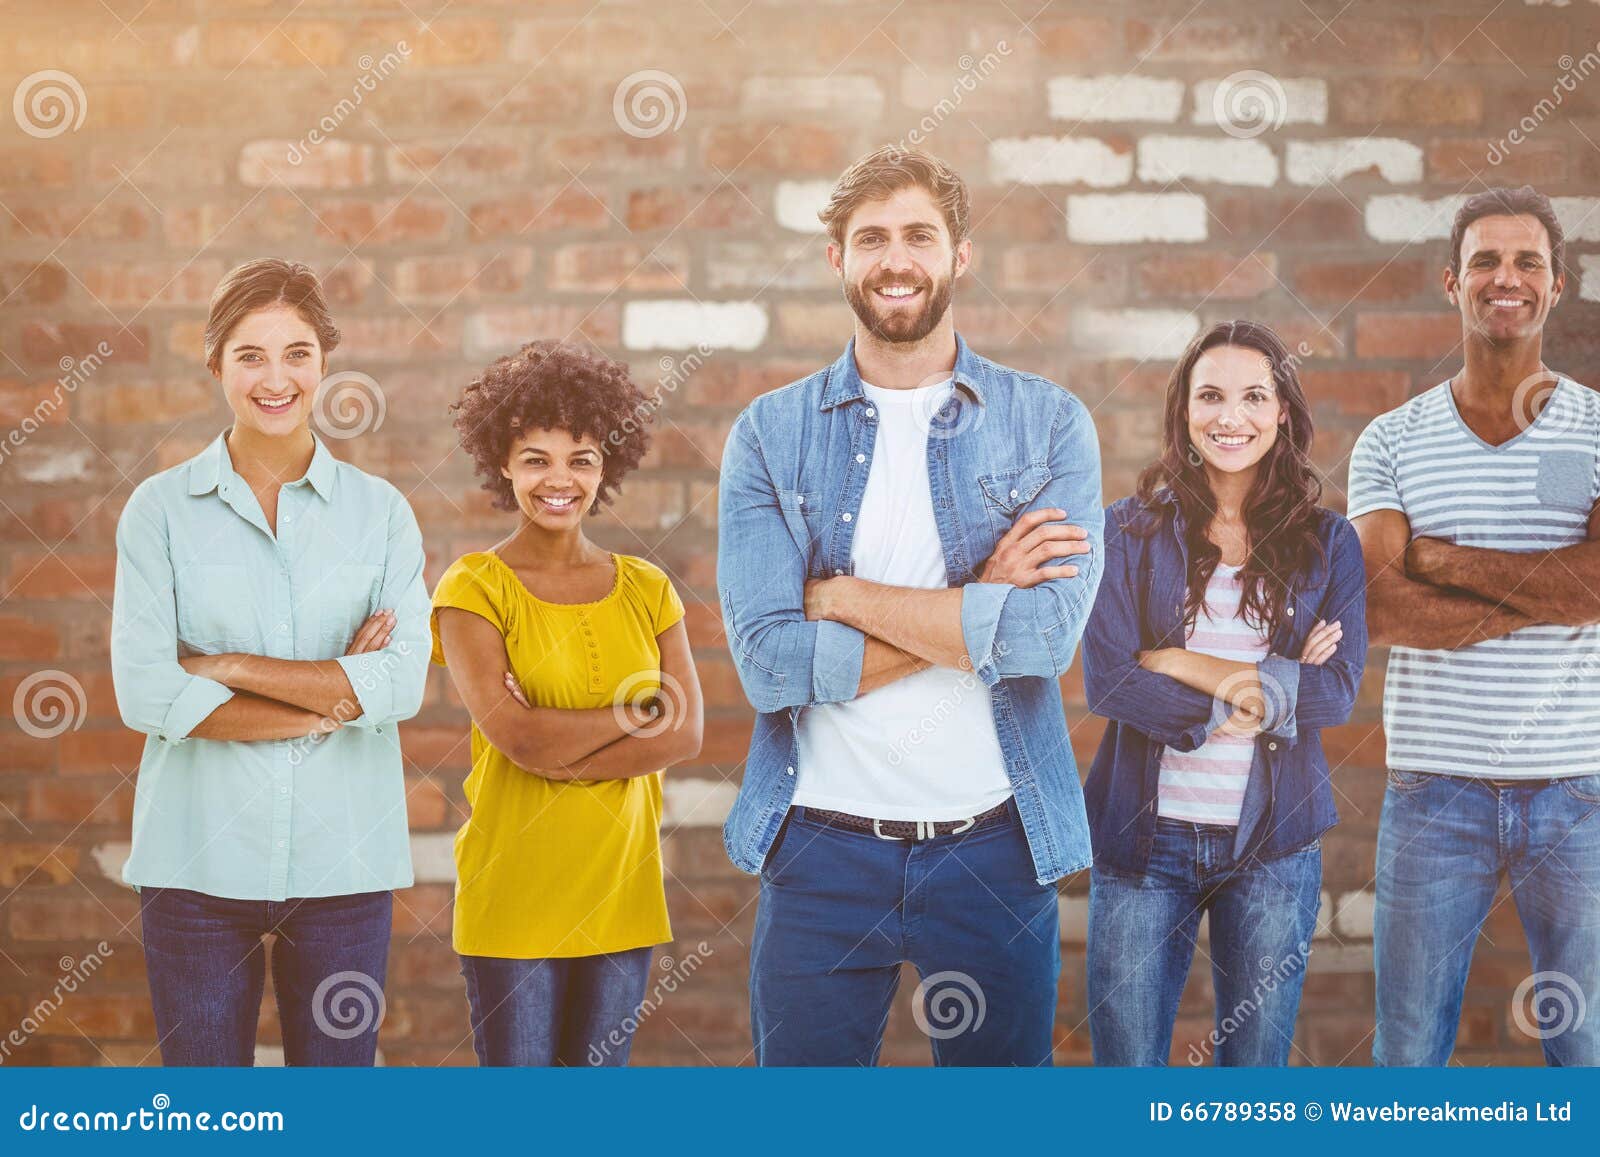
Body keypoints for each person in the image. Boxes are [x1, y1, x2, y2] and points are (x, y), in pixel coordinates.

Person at [717, 145, 1103, 1066]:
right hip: (818, 850)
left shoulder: (1048, 422)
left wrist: (844, 599)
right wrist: (979, 608)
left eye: (919, 236)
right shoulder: (770, 434)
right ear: (837, 260)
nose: (897, 259)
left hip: (994, 848)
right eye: (872, 238)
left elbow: (1044, 641)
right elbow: (770, 665)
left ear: (960, 254)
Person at [111, 258, 430, 1065]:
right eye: (250, 354)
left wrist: (224, 665)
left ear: (325, 361)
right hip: (195, 866)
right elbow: (147, 693)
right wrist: (334, 698)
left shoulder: (381, 514)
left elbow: (400, 682)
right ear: (215, 363)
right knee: (205, 1115)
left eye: (296, 352)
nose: (275, 377)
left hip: (343, 870)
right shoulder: (159, 511)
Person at [1349, 186, 1600, 1066]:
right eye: (1486, 261)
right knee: (1409, 1052)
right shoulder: (1391, 439)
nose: (1507, 277)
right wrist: (1552, 586)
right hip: (1433, 791)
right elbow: (1378, 606)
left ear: (1557, 286)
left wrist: (1445, 560)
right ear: (1451, 281)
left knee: (1586, 1048)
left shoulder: (1597, 427)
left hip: (1578, 789)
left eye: (1528, 261)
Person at [1081, 319, 1365, 1066]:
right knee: (1126, 1079)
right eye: (1209, 396)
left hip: (1273, 845)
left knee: (1254, 1084)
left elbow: (1335, 693)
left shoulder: (1330, 542)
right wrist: (1269, 687)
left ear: (1281, 412)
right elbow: (1110, 677)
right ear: (1184, 411)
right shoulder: (1128, 531)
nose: (1229, 416)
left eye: (1252, 397)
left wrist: (1176, 659)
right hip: (1144, 842)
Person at [431, 338, 703, 1066]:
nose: (560, 479)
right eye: (536, 459)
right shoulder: (474, 586)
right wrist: (633, 713)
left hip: (622, 893)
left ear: (606, 466)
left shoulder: (647, 586)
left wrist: (563, 743)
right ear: (502, 465)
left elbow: (687, 733)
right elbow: (520, 739)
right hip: (513, 898)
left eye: (580, 458)